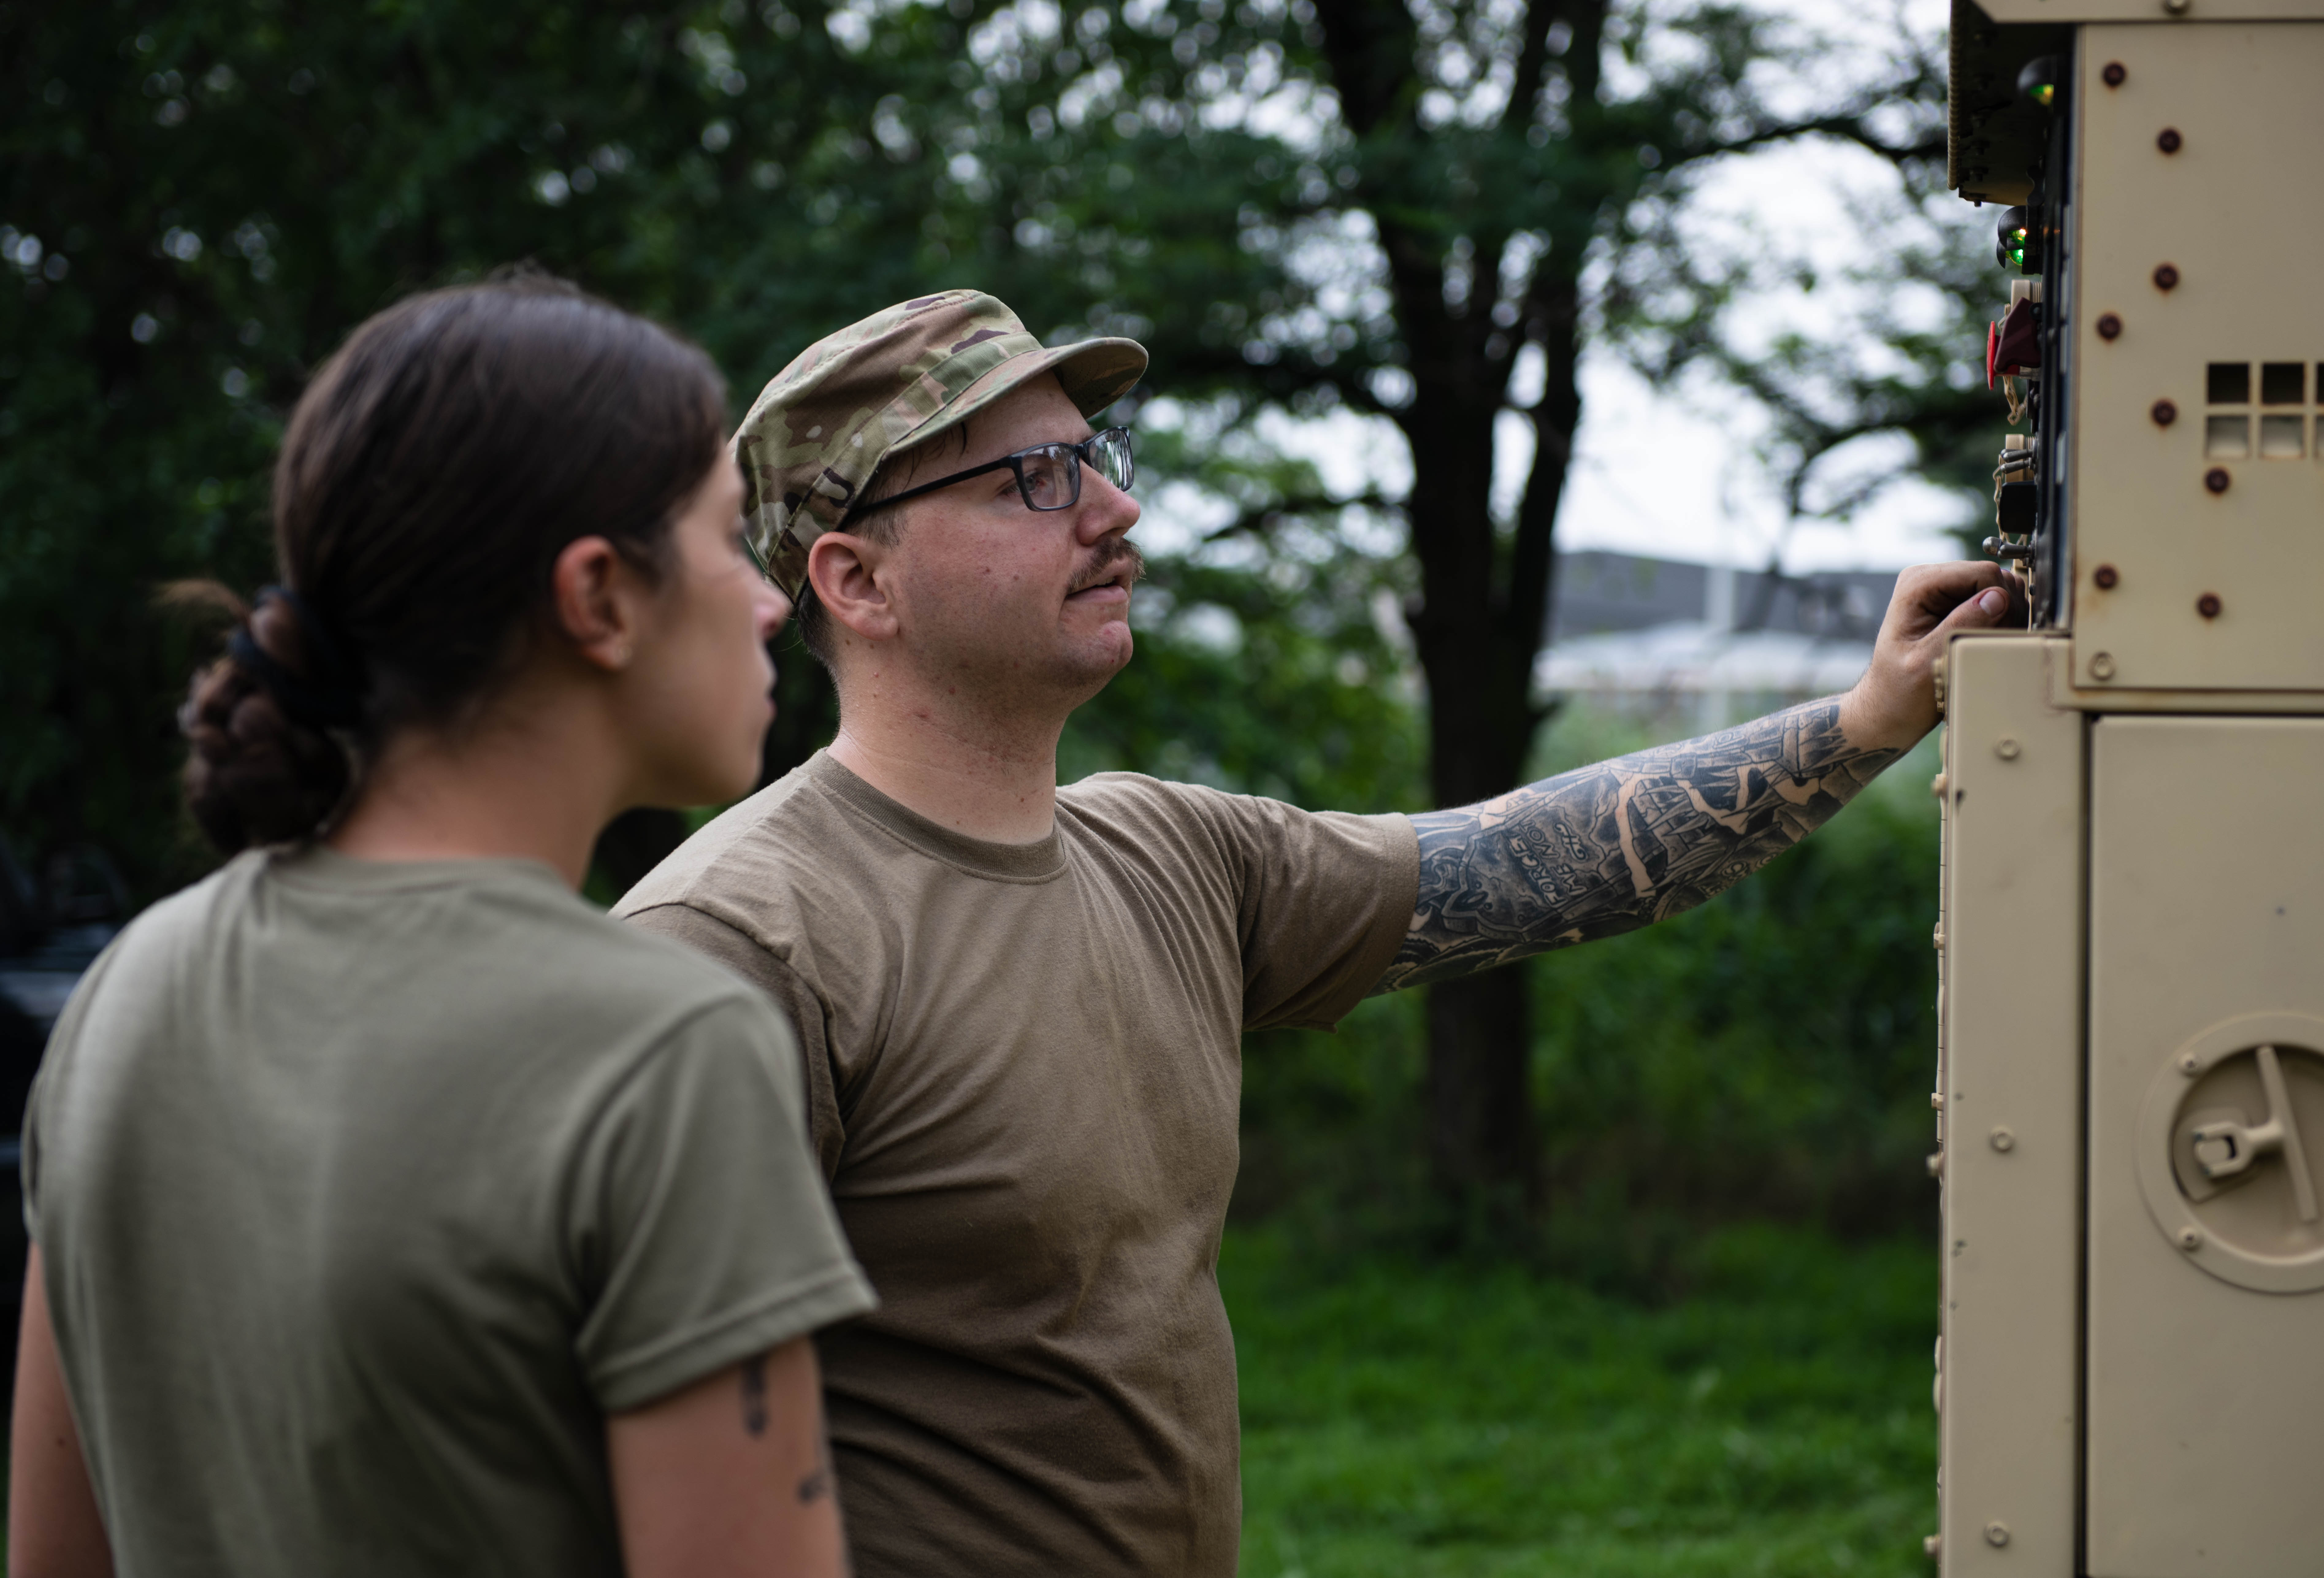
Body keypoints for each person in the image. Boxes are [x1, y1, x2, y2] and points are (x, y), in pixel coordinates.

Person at [614, 289, 2016, 1576]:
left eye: (1096, 454)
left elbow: (1532, 867)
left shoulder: (1168, 855)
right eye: (1031, 480)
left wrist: (1863, 722)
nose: (1115, 512)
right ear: (859, 583)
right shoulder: (744, 943)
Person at [7, 276, 875, 1578]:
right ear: (598, 598)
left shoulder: (126, 990)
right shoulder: (660, 1048)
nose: (765, 599)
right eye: (719, 534)